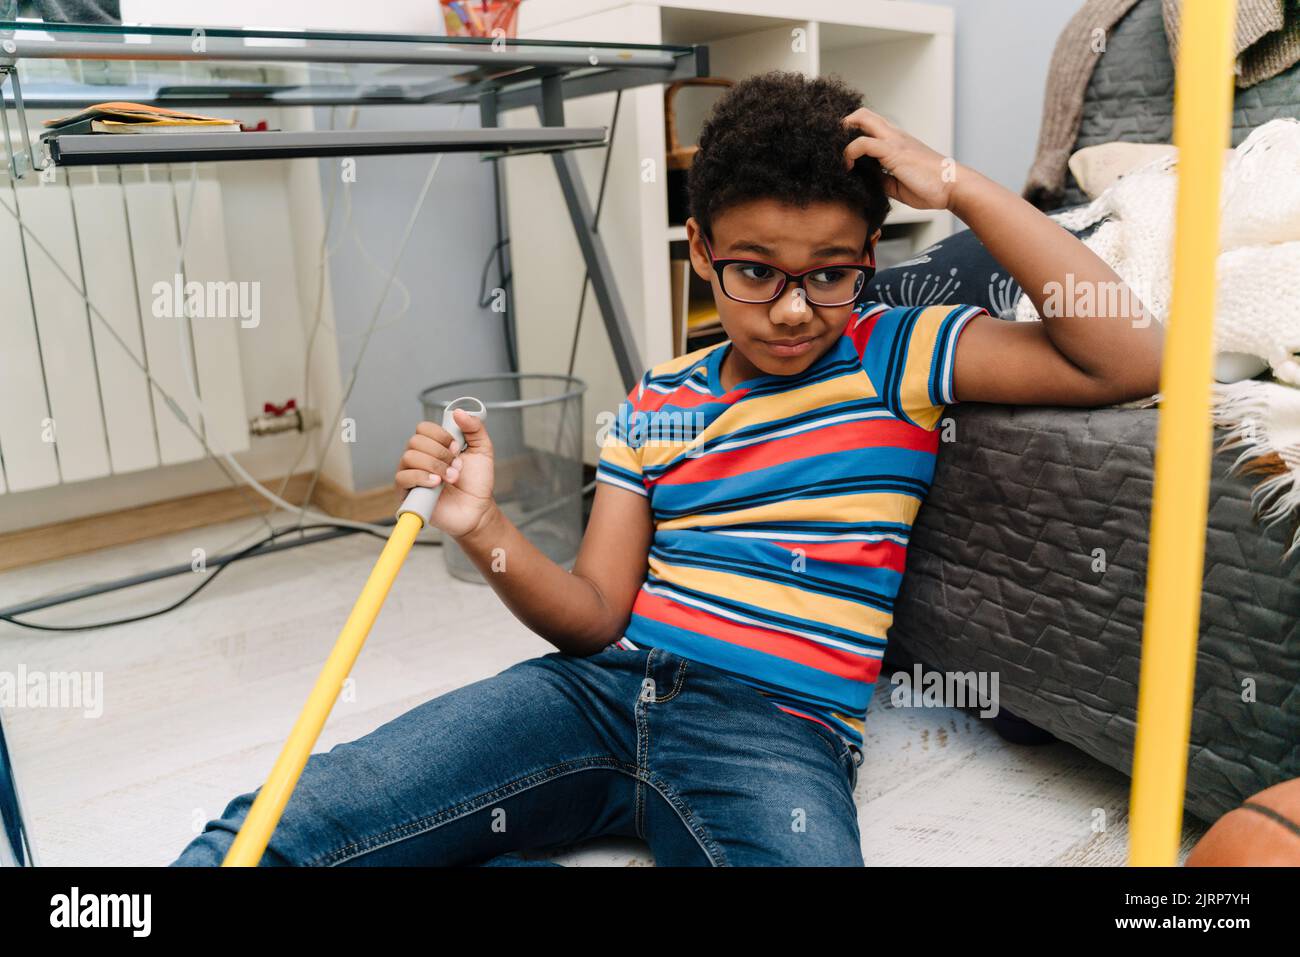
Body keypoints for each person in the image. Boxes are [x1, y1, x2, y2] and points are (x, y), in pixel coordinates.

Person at [173, 71, 1162, 867]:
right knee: (301, 817)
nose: (789, 307)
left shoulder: (898, 349)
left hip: (776, 725)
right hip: (594, 689)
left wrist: (954, 182)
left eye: (829, 270)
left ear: (869, 255)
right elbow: (593, 614)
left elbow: (1127, 354)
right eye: (753, 268)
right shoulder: (654, 401)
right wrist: (484, 530)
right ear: (701, 251)